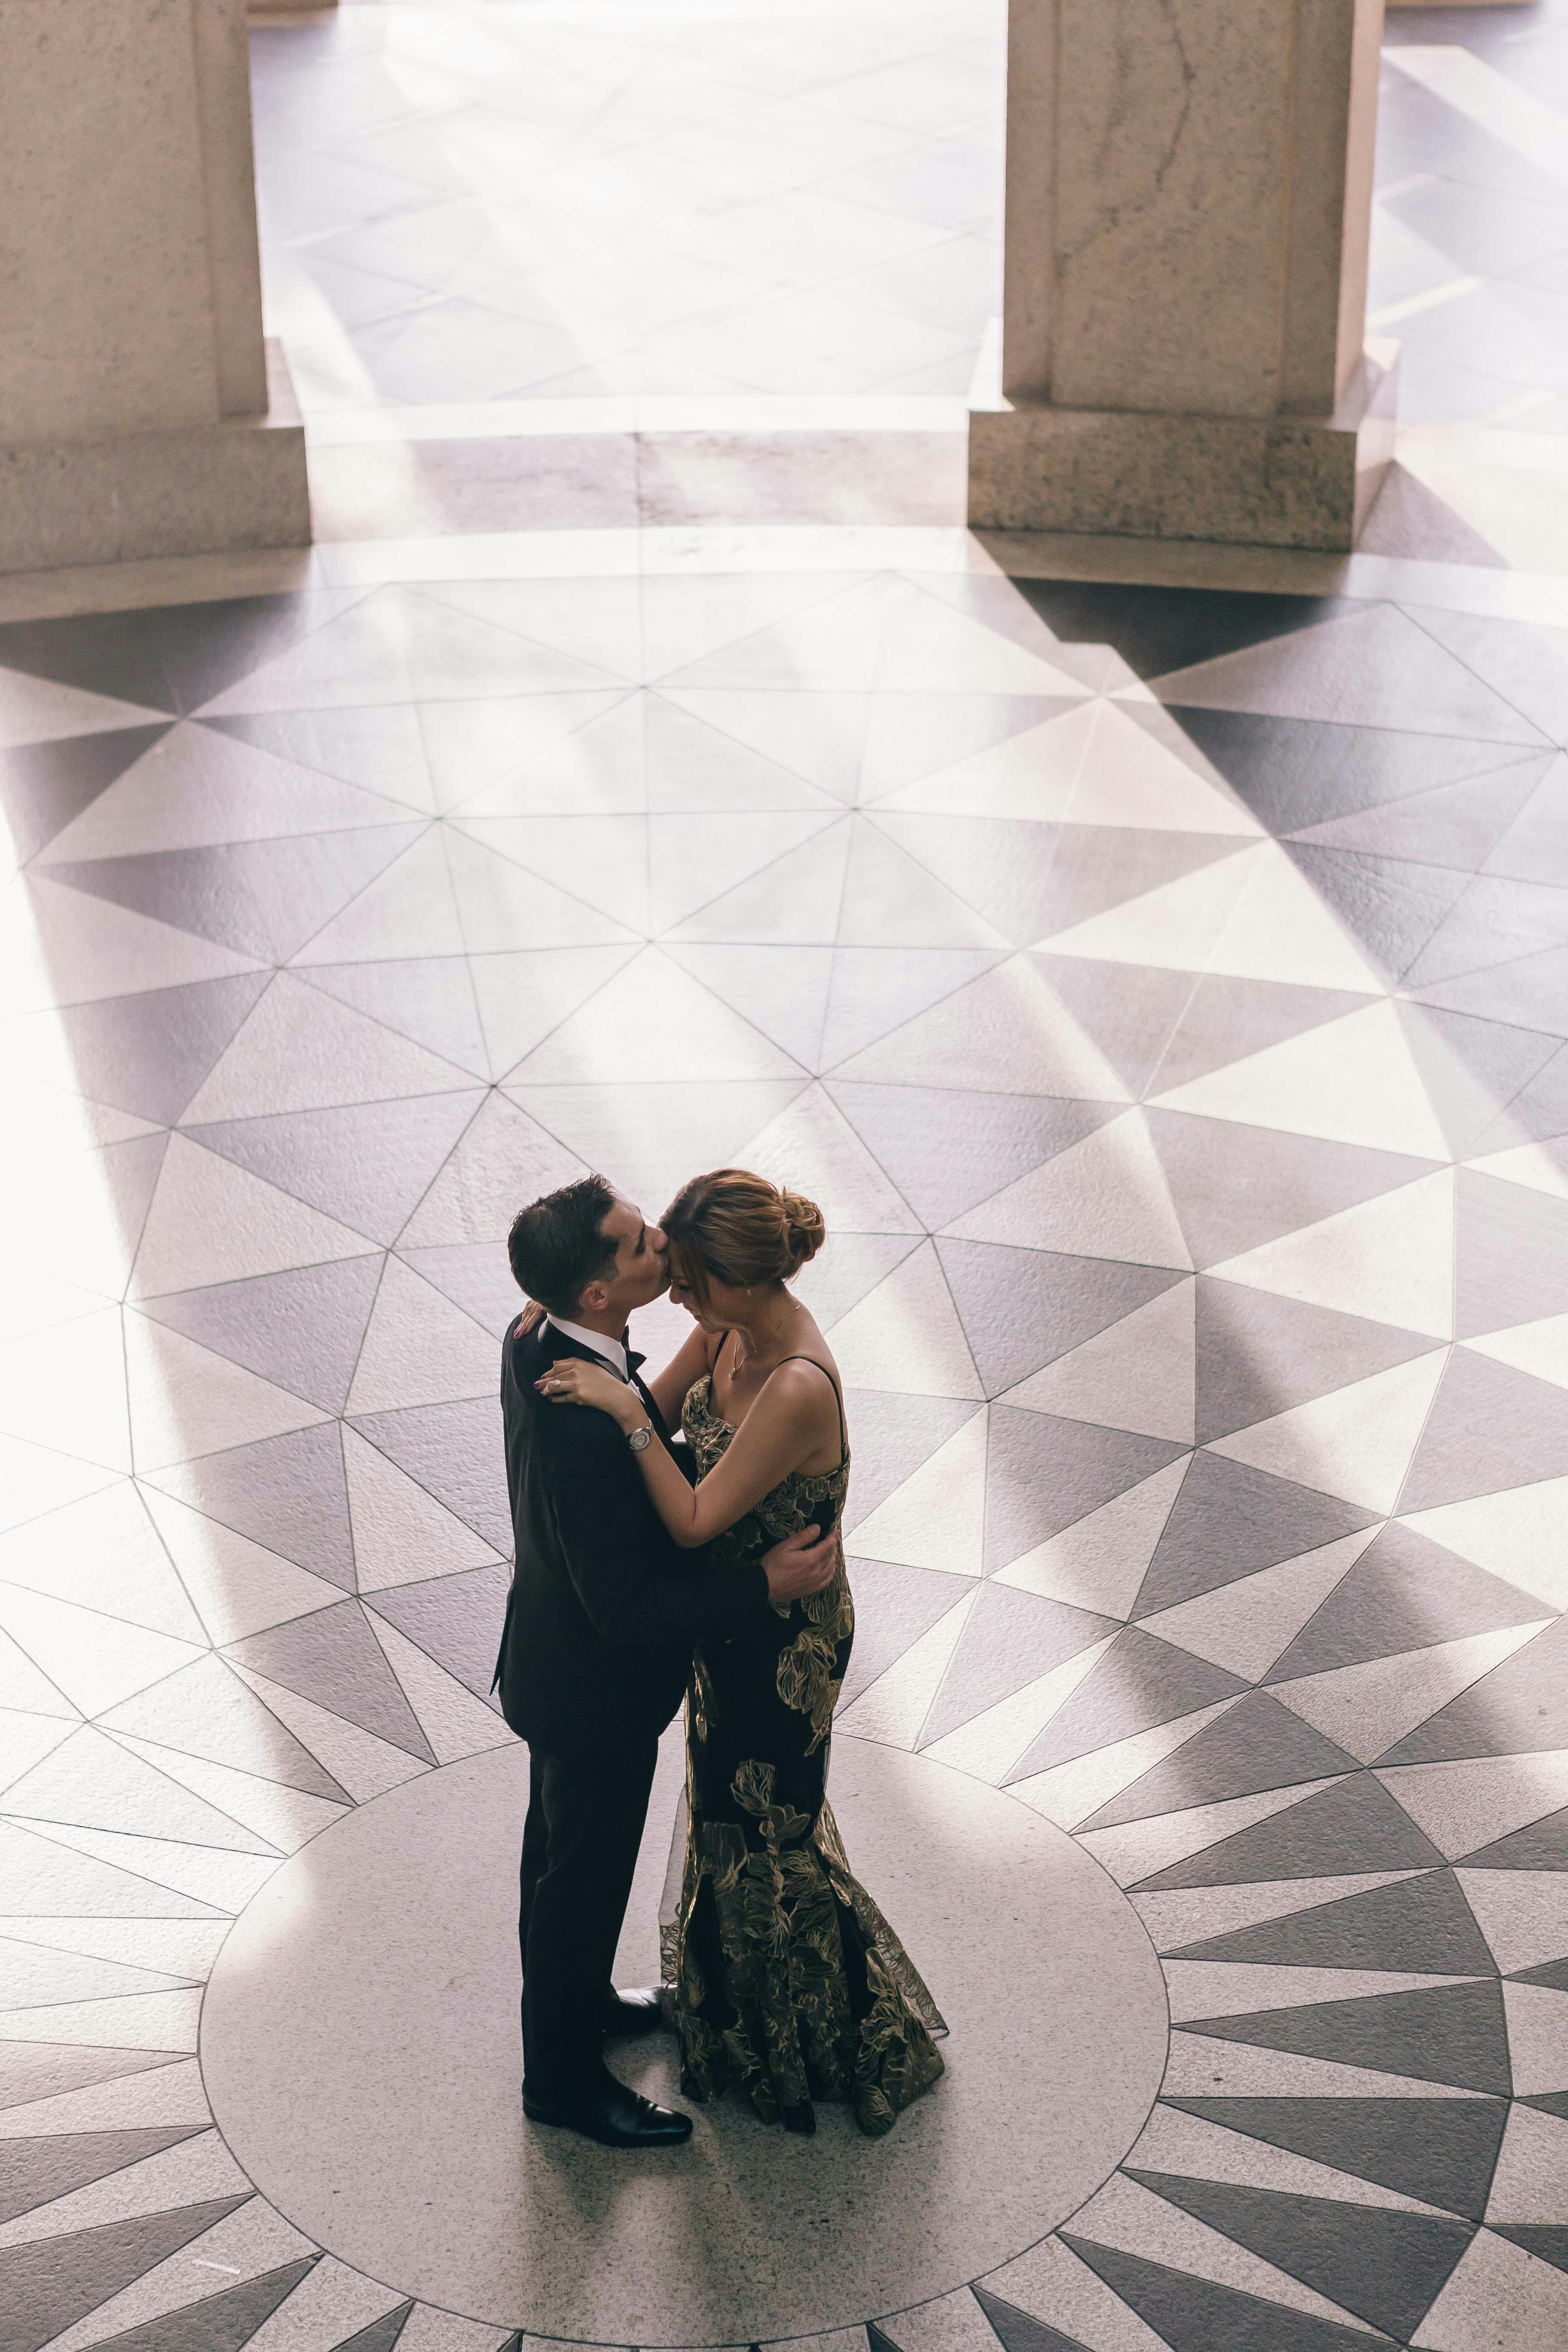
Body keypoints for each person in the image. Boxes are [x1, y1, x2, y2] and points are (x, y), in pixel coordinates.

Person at [538, 1167, 946, 2137]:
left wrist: (631, 1414)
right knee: (725, 1822)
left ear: (748, 1280)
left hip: (785, 1642)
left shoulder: (800, 1384)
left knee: (776, 1838)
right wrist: (562, 1317)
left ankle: (824, 2035)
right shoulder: (726, 1324)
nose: (674, 1297)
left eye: (689, 1283)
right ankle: (737, 2015)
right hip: (728, 1623)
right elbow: (660, 1397)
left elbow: (688, 1517)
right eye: (669, 1274)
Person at [494, 1174, 839, 2151]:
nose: (662, 1253)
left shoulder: (539, 1334)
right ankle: (560, 2083)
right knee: (581, 1882)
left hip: (553, 1667)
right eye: (643, 1244)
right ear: (598, 1294)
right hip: (594, 1687)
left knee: (557, 1863)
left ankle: (585, 2005)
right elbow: (633, 1605)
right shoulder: (580, 1418)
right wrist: (759, 1587)